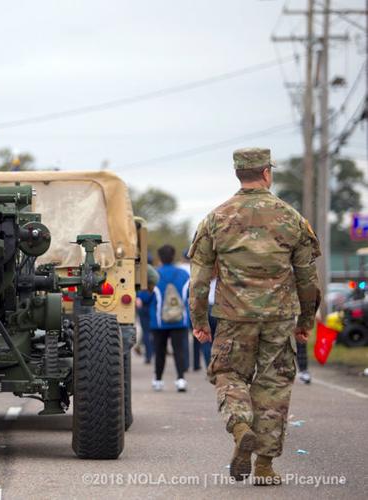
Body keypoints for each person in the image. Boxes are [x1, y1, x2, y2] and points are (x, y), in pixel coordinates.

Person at [189, 147, 321, 485]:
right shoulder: (291, 218)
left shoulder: (216, 218)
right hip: (279, 319)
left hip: (234, 319)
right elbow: (308, 279)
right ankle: (264, 467)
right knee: (273, 387)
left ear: (238, 174)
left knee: (228, 376)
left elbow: (200, 279)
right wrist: (306, 322)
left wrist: (200, 321)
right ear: (266, 173)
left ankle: (241, 427)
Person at [142, 244, 191, 392]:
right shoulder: (184, 275)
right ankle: (181, 379)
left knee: (160, 351)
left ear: (160, 258)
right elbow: (190, 295)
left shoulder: (154, 275)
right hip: (180, 320)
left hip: (159, 322)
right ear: (174, 256)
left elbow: (144, 298)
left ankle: (158, 380)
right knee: (179, 350)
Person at [135, 264, 159, 364]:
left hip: (143, 306)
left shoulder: (138, 271)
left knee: (146, 332)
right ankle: (152, 353)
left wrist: (138, 297)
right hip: (152, 306)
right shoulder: (153, 274)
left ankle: (148, 356)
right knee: (152, 332)